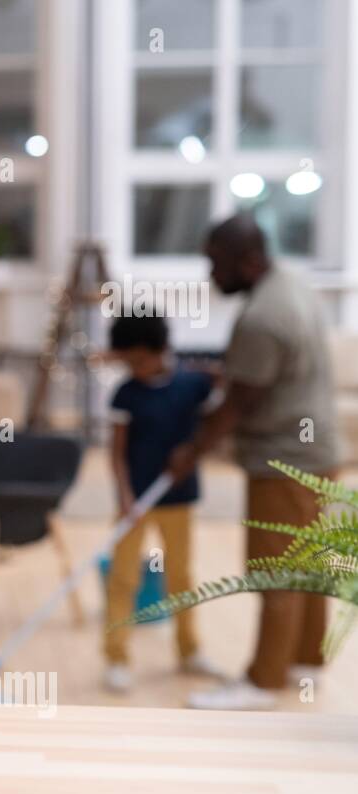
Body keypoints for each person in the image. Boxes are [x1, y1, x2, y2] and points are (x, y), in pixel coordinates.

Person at [169, 214, 343, 710]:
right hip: (321, 454)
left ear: (248, 260)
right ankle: (305, 660)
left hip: (283, 461)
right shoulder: (293, 285)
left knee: (276, 569)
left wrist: (191, 452)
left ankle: (264, 682)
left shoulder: (261, 318)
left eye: (217, 264)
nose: (211, 275)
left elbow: (238, 404)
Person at [102, 311, 223, 693]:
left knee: (182, 576)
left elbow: (225, 401)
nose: (134, 369)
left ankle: (189, 651)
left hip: (178, 499)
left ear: (161, 350)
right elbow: (117, 452)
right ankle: (116, 657)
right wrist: (124, 497)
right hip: (135, 500)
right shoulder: (126, 394)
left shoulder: (191, 385)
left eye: (139, 360)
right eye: (127, 362)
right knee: (124, 577)